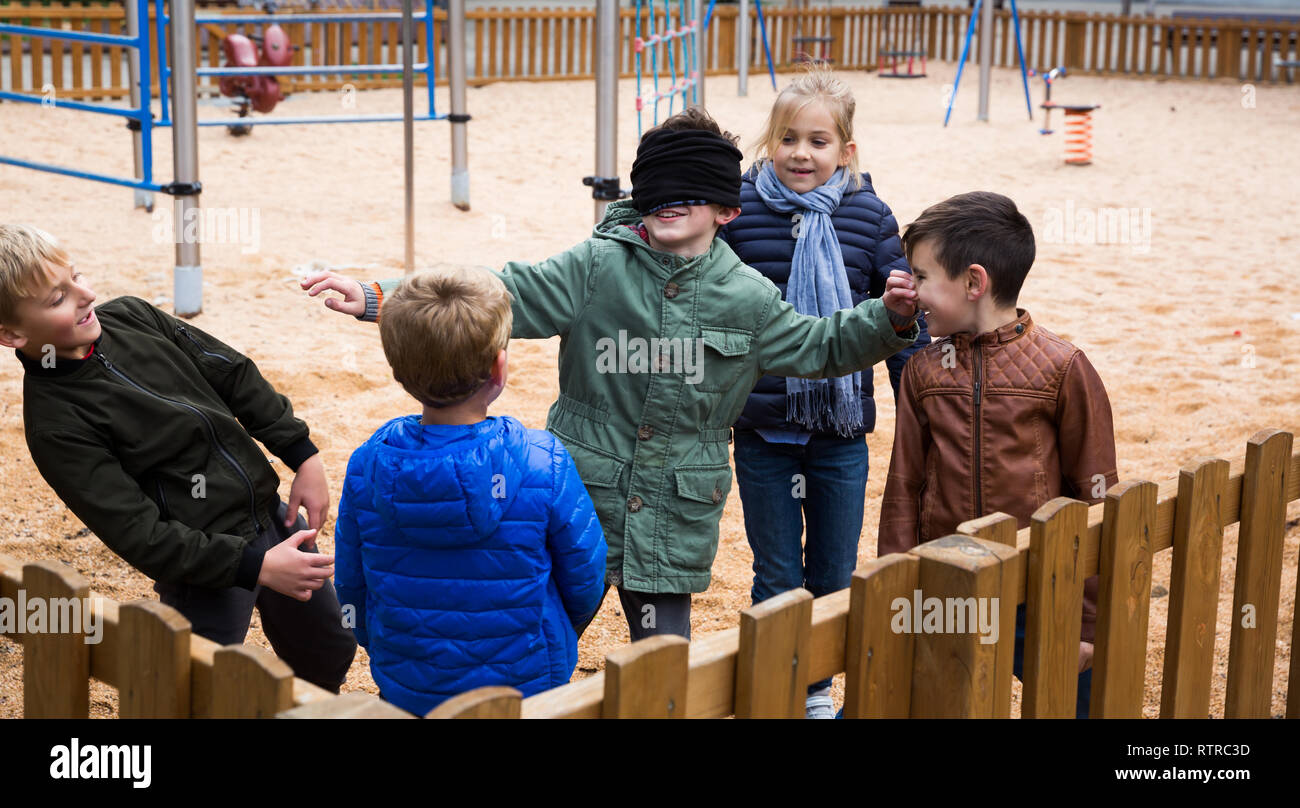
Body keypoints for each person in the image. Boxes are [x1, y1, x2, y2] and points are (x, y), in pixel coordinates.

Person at [304, 107, 921, 644]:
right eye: (655, 190)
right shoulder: (597, 266)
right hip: (581, 498)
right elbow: (497, 292)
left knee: (663, 659)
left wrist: (886, 320)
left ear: (727, 209)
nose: (668, 203)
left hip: (675, 514)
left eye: (687, 191)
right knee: (542, 628)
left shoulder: (748, 297)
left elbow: (819, 345)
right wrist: (380, 295)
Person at [0, 224, 356, 692]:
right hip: (202, 565)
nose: (85, 294)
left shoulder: (132, 316)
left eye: (77, 276)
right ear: (11, 334)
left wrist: (301, 454)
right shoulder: (57, 423)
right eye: (56, 299)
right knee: (194, 680)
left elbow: (232, 373)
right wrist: (255, 566)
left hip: (270, 513)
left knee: (327, 645)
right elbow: (139, 534)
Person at [719, 66, 929, 718]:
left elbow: (901, 319)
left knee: (834, 574)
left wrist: (916, 404)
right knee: (777, 573)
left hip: (840, 433)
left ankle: (815, 691)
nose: (800, 154)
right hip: (762, 428)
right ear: (769, 142)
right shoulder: (742, 209)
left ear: (846, 151)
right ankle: (777, 686)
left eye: (817, 141)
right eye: (787, 139)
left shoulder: (869, 217)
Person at [877, 192, 1118, 718]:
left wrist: (1088, 624)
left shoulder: (1063, 367)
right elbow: (905, 487)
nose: (911, 292)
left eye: (920, 277)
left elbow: (1095, 493)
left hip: (1043, 582)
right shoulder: (923, 371)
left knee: (1074, 703)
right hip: (949, 580)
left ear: (973, 282)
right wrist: (895, 586)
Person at [334, 269, 606, 715]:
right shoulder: (543, 460)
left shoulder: (367, 464)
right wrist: (554, 632)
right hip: (526, 682)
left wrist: (383, 643)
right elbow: (585, 575)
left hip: (410, 680)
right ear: (499, 368)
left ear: (399, 369)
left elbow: (351, 582)